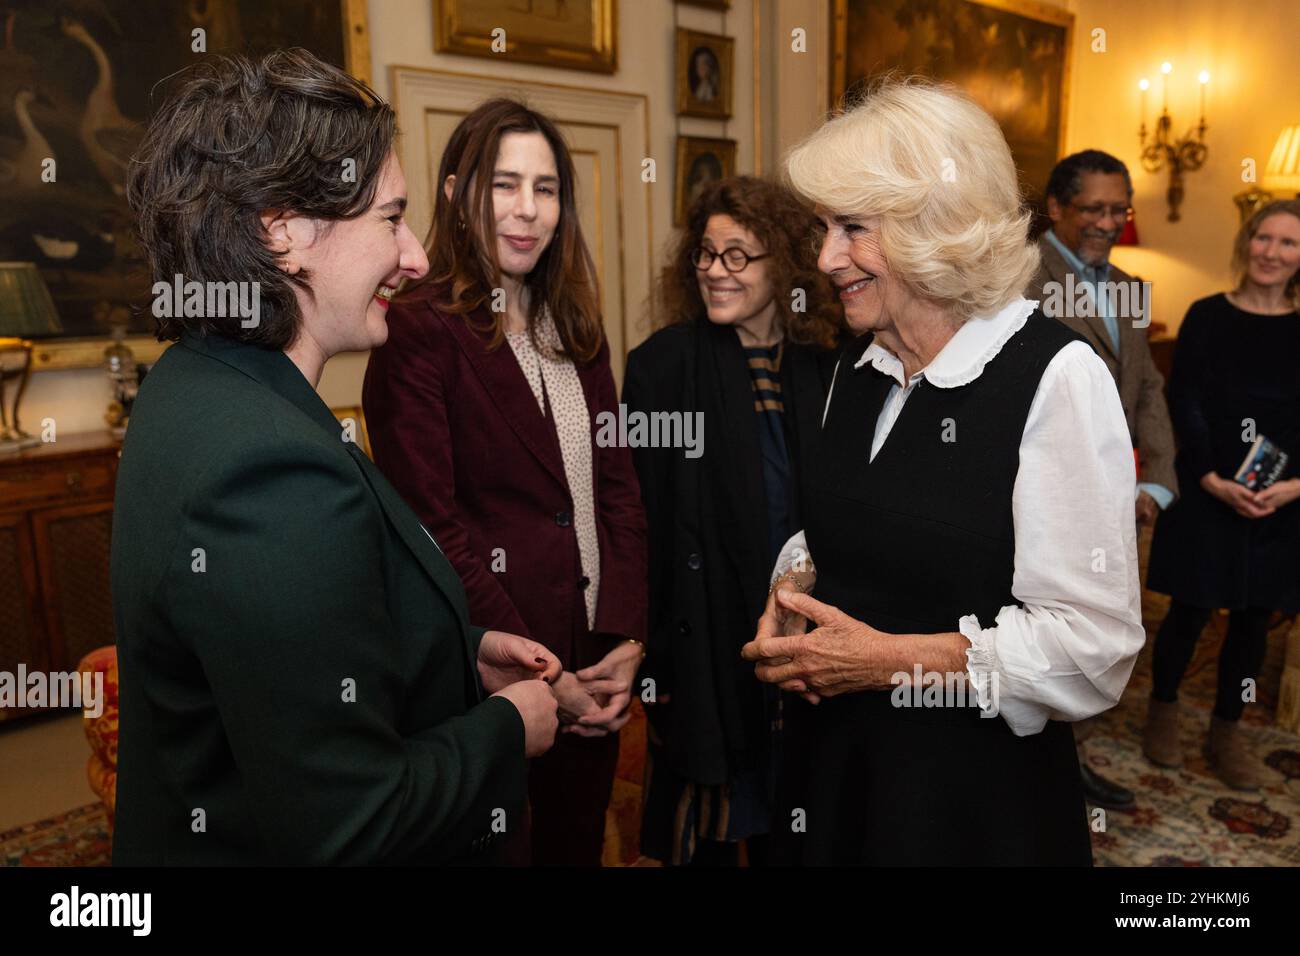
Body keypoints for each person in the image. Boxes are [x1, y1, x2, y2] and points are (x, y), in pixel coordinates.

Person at [112, 50, 559, 865]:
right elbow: (349, 823)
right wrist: (504, 728)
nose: (417, 255)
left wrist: (458, 655)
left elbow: (286, 658)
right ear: (283, 231)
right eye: (391, 218)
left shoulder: (194, 379)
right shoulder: (268, 470)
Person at [740, 78, 1145, 865]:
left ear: (938, 226)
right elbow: (852, 524)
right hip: (834, 774)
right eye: (823, 227)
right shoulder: (856, 365)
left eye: (852, 228)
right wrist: (788, 595)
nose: (824, 259)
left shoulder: (1056, 378)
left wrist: (888, 662)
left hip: (968, 805)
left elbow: (1093, 650)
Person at [362, 98, 647, 866]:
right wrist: (539, 669)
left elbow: (617, 488)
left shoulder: (576, 326)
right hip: (493, 668)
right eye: (504, 184)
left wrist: (626, 635)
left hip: (594, 650)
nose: (528, 210)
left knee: (574, 849)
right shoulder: (418, 328)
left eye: (546, 188)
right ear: (456, 192)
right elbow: (432, 526)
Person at [624, 176, 842, 865]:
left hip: (810, 631)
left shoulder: (828, 365)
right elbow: (643, 519)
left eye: (738, 256)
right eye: (706, 255)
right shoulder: (661, 367)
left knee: (799, 819)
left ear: (784, 263)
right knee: (713, 826)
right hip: (706, 637)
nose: (716, 271)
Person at [1032, 149, 1179, 812]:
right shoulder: (1017, 277)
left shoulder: (1127, 284)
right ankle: (1043, 776)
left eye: (1118, 209)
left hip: (1119, 496)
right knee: (1045, 633)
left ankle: (1068, 764)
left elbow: (1146, 385)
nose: (1108, 221)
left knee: (1102, 632)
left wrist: (1159, 481)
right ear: (1056, 208)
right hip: (1046, 494)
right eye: (1093, 208)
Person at [1143, 199, 1300, 790]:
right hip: (1208, 489)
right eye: (1264, 238)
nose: (1272, 252)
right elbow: (1185, 401)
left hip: (1282, 501)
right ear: (1247, 243)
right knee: (1190, 609)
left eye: (1289, 243)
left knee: (1254, 621)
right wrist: (1209, 477)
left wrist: (1289, 488)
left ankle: (1226, 729)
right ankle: (1163, 708)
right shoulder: (1207, 315)